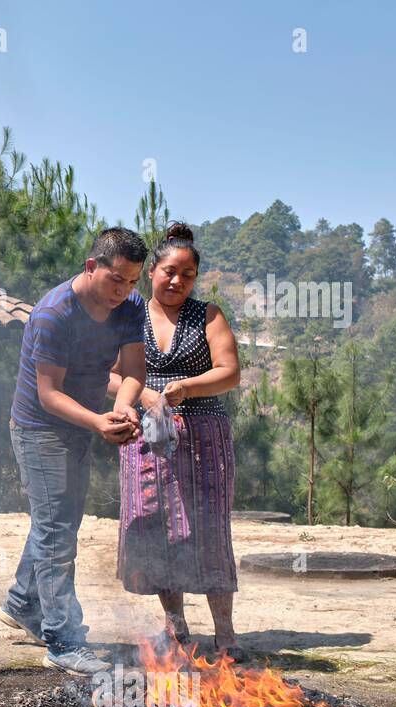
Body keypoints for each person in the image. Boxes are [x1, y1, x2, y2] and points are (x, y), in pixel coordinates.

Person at [0, 228, 148, 675]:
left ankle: (22, 602)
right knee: (57, 530)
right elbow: (48, 394)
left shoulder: (131, 307)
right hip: (40, 428)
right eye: (116, 279)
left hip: (83, 426)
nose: (123, 291)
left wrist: (121, 409)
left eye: (133, 281)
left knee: (56, 520)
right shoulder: (53, 314)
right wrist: (99, 421)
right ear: (91, 267)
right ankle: (63, 640)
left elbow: (134, 370)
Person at [109, 222, 244, 660]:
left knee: (207, 530)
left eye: (187, 274)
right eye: (169, 271)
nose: (177, 281)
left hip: (203, 437)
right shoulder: (127, 315)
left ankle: (225, 635)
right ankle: (176, 628)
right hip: (147, 437)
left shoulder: (208, 315)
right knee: (159, 528)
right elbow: (106, 373)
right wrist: (144, 393)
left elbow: (229, 372)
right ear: (152, 271)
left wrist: (186, 388)